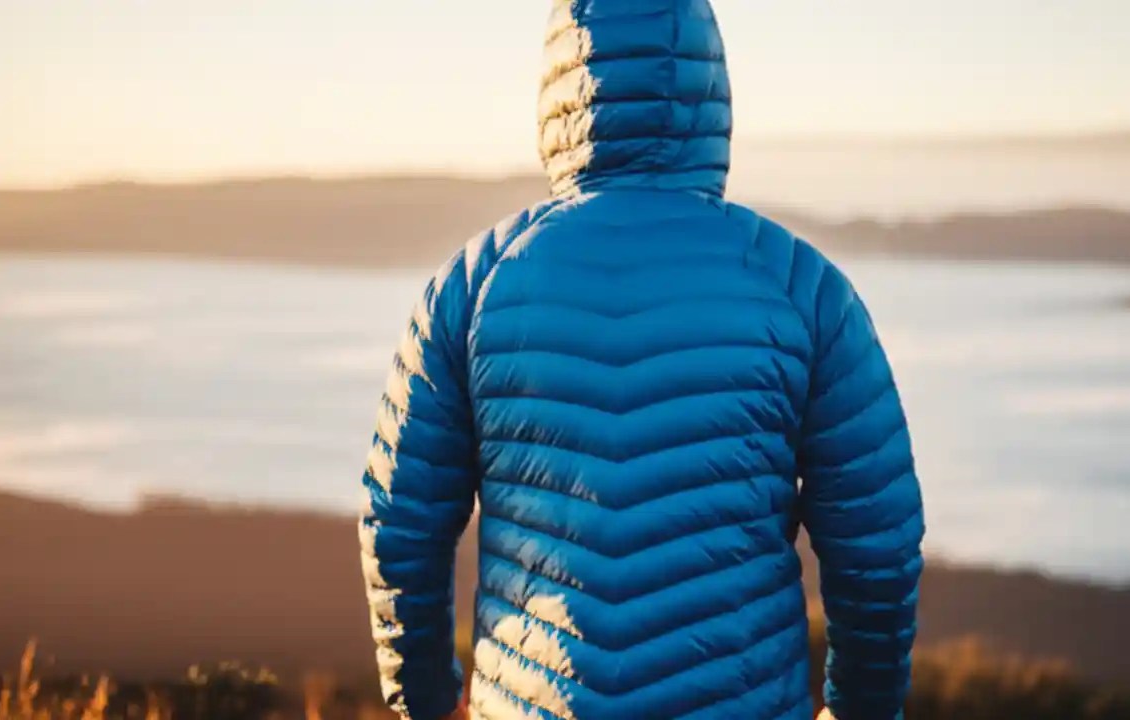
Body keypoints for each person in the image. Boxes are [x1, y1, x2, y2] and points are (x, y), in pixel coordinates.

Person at [357, 1, 924, 718]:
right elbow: (877, 550)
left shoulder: (471, 288)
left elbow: (399, 529)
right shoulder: (803, 289)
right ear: (707, 86)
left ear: (563, 87)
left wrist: (428, 703)